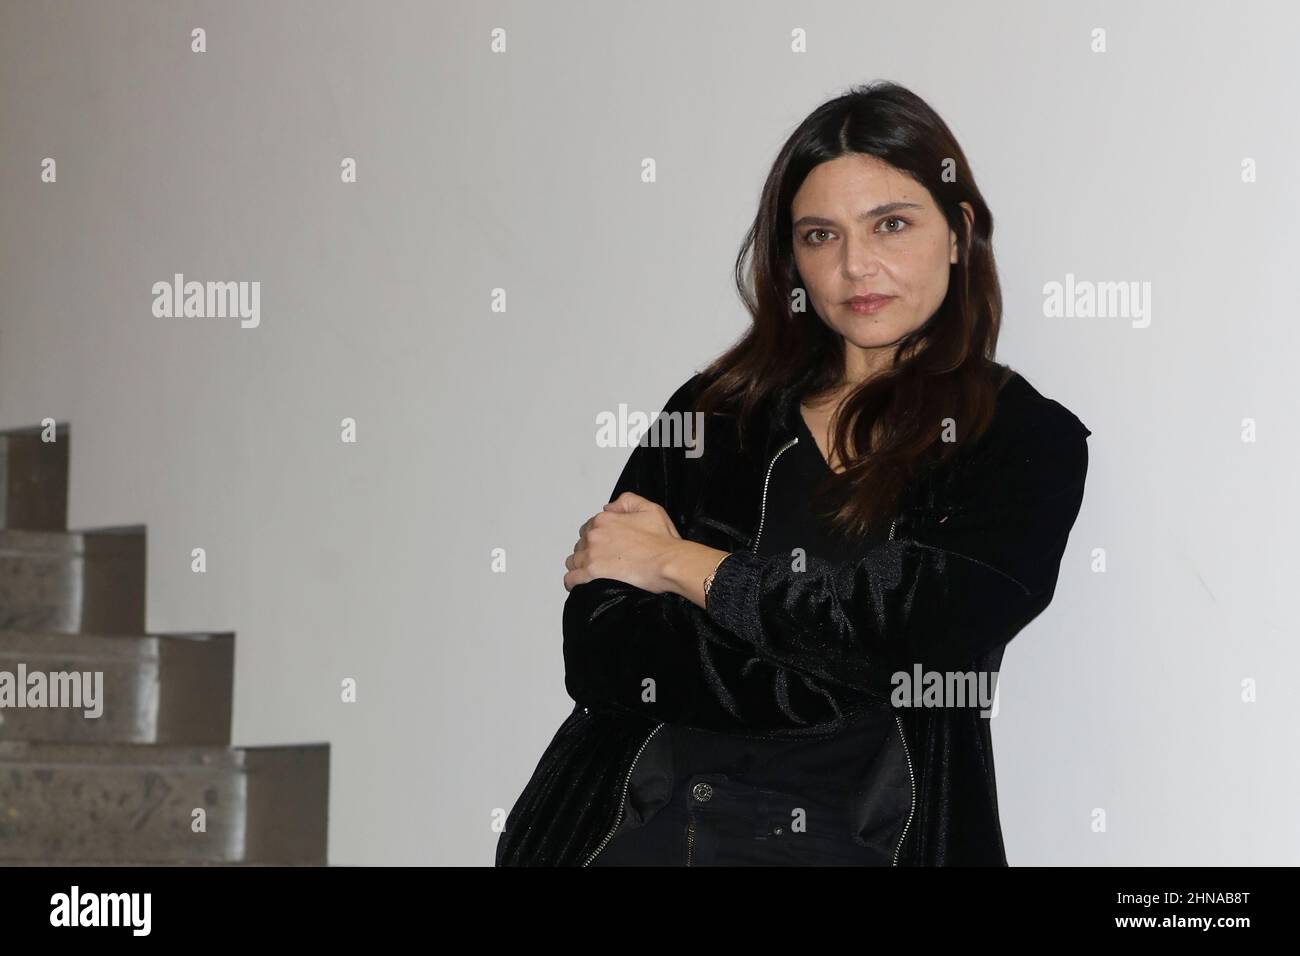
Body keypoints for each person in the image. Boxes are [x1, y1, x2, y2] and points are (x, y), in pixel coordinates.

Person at [496, 80, 1092, 866]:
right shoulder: (713, 415)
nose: (855, 265)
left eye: (891, 224)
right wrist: (825, 658)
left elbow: (913, 643)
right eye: (820, 235)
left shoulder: (1021, 438)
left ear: (958, 232)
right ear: (792, 258)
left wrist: (680, 565)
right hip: (630, 840)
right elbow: (604, 650)